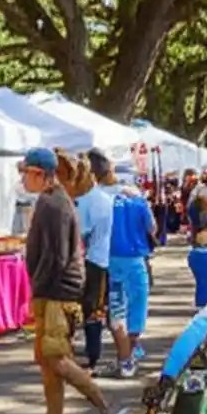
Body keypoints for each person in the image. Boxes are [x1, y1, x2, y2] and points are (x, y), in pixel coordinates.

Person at [15, 148, 111, 414]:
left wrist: (39, 288)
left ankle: (102, 404)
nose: (22, 178)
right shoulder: (53, 201)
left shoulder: (53, 204)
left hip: (57, 293)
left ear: (41, 174)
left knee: (55, 358)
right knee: (48, 360)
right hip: (55, 292)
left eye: (26, 172)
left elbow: (55, 257)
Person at [99, 157, 156, 378]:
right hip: (134, 258)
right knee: (137, 307)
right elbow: (152, 227)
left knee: (117, 309)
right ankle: (129, 356)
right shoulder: (138, 200)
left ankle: (123, 359)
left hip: (110, 258)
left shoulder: (102, 199)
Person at [68, 151, 114, 372]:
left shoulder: (85, 201)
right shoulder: (105, 199)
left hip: (88, 259)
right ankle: (92, 350)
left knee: (84, 306)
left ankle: (90, 352)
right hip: (102, 257)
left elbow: (82, 232)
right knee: (95, 307)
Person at [186, 185, 207, 307]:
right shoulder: (206, 217)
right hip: (205, 251)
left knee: (203, 285)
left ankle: (202, 308)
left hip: (197, 252)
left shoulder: (196, 213)